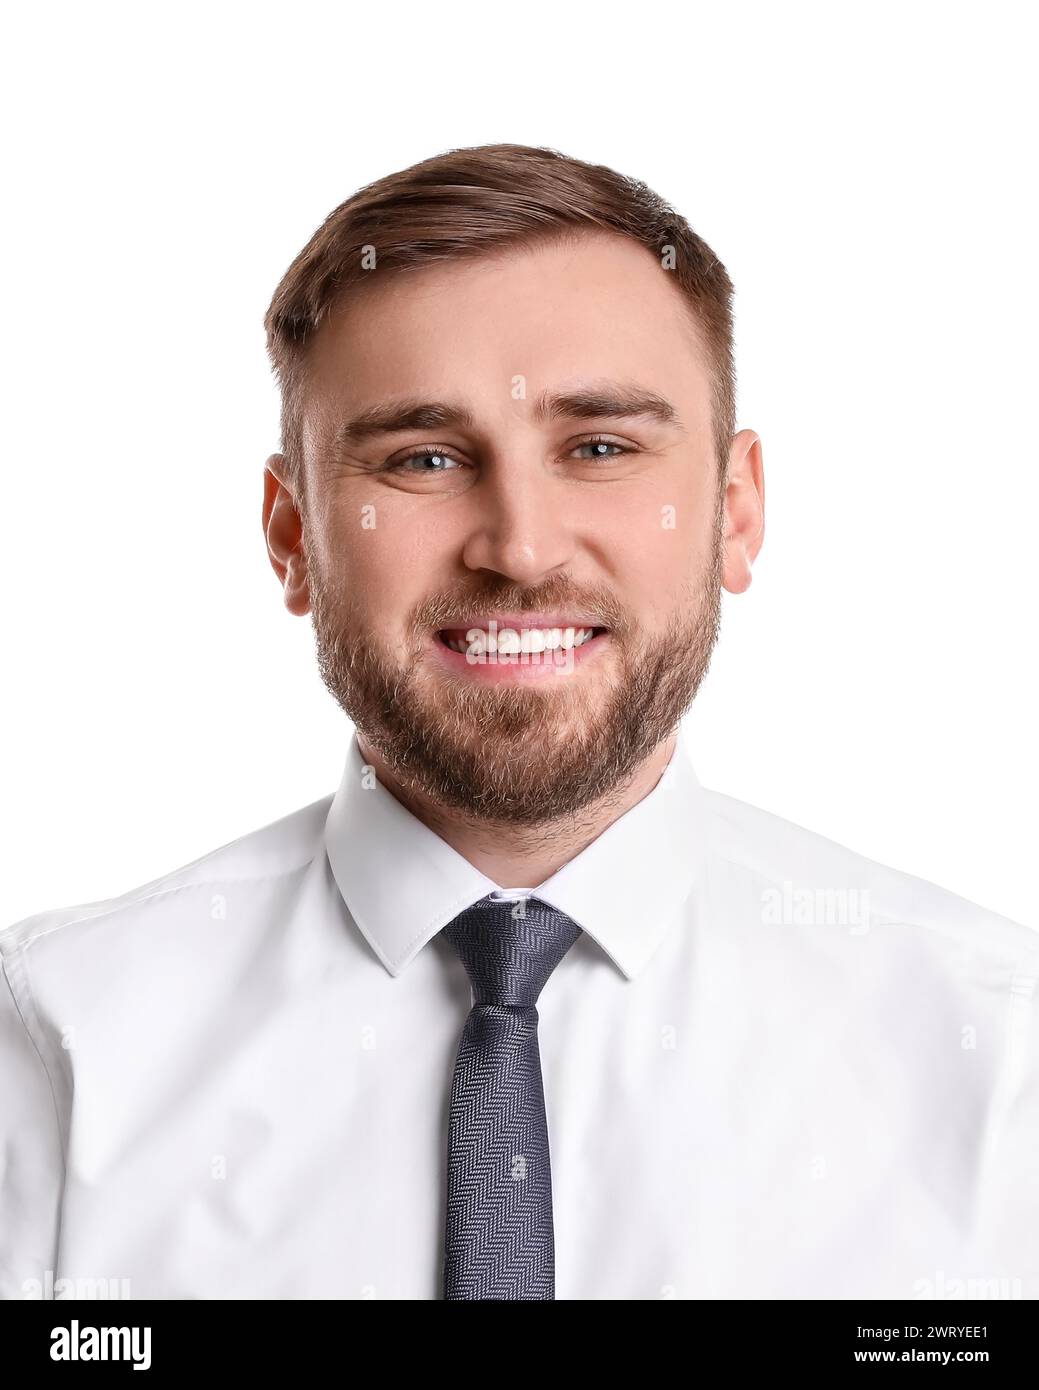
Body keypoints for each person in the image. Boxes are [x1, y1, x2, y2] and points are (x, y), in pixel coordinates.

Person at [2, 143, 1036, 1302]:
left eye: (600, 447)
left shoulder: (998, 1059)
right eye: (425, 459)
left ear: (736, 512)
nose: (522, 547)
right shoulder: (54, 1046)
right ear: (292, 535)